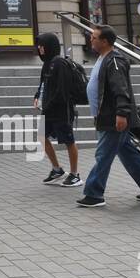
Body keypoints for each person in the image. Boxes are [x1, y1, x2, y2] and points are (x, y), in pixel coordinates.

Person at [77, 25, 140, 208]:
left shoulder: (115, 61)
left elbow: (121, 90)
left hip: (113, 118)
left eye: (94, 37)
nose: (91, 40)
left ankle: (94, 194)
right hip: (107, 116)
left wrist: (121, 114)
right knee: (128, 153)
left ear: (104, 41)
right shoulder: (104, 59)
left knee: (103, 155)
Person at [33, 32, 80, 187]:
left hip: (61, 109)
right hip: (48, 109)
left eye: (41, 45)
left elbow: (62, 89)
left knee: (68, 141)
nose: (39, 48)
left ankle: (75, 174)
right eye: (38, 46)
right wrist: (37, 96)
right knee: (42, 136)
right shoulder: (47, 63)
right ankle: (57, 169)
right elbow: (43, 84)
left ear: (49, 46)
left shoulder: (60, 63)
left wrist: (49, 103)